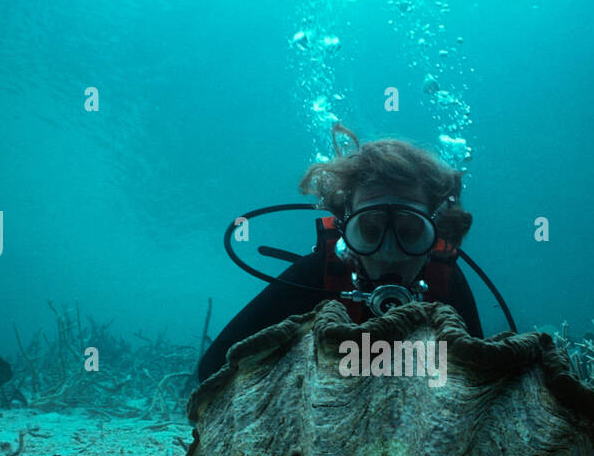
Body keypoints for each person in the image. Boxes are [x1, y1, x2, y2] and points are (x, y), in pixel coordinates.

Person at [197, 123, 484, 382]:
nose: (388, 254)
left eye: (410, 233)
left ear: (436, 232)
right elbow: (214, 367)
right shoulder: (315, 274)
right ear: (345, 227)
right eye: (370, 231)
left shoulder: (445, 280)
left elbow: (477, 378)